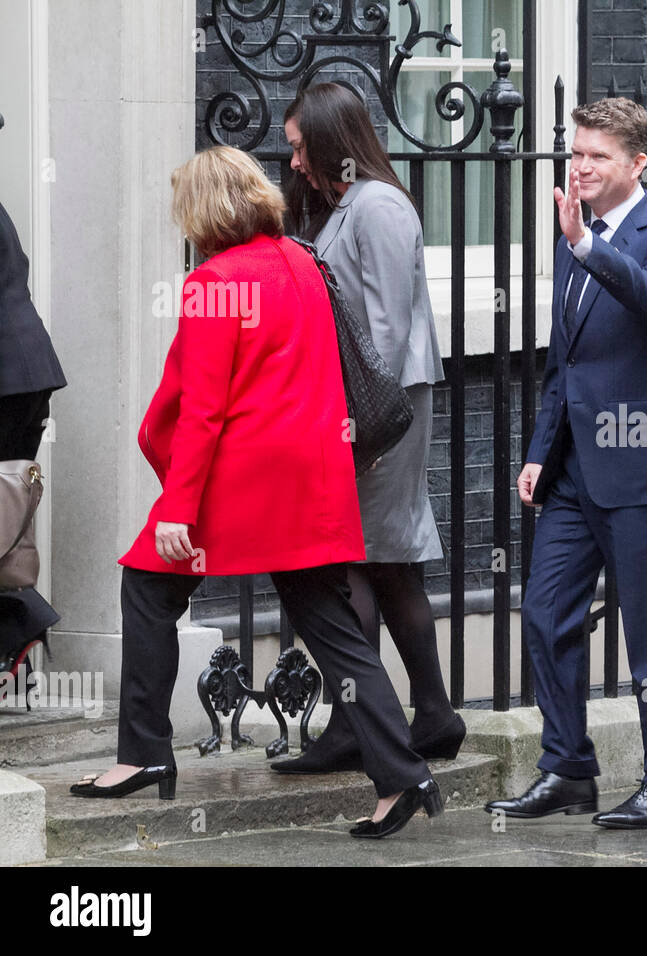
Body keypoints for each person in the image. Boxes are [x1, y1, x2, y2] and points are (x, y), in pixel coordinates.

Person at [70, 146, 439, 840]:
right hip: (316, 472)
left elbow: (204, 408)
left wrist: (179, 507)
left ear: (201, 211)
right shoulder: (301, 260)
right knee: (329, 622)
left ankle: (144, 754)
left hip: (243, 480)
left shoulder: (213, 281)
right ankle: (404, 771)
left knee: (148, 584)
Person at [485, 98, 647, 829]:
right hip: (574, 472)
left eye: (596, 157)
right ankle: (568, 769)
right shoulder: (571, 238)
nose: (579, 168)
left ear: (638, 163)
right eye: (575, 155)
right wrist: (541, 453)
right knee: (545, 616)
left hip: (638, 467)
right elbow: (564, 362)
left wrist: (586, 246)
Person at [271, 82, 464, 775]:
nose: (292, 161)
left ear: (329, 141)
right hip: (367, 408)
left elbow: (388, 322)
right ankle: (427, 715)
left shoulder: (379, 205)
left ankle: (365, 722)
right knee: (378, 560)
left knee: (363, 557)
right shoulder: (350, 204)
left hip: (383, 409)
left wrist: (364, 424)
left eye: (298, 146)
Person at [0, 186, 65, 679]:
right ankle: (18, 630)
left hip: (9, 378)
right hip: (26, 374)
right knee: (8, 506)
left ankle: (19, 626)